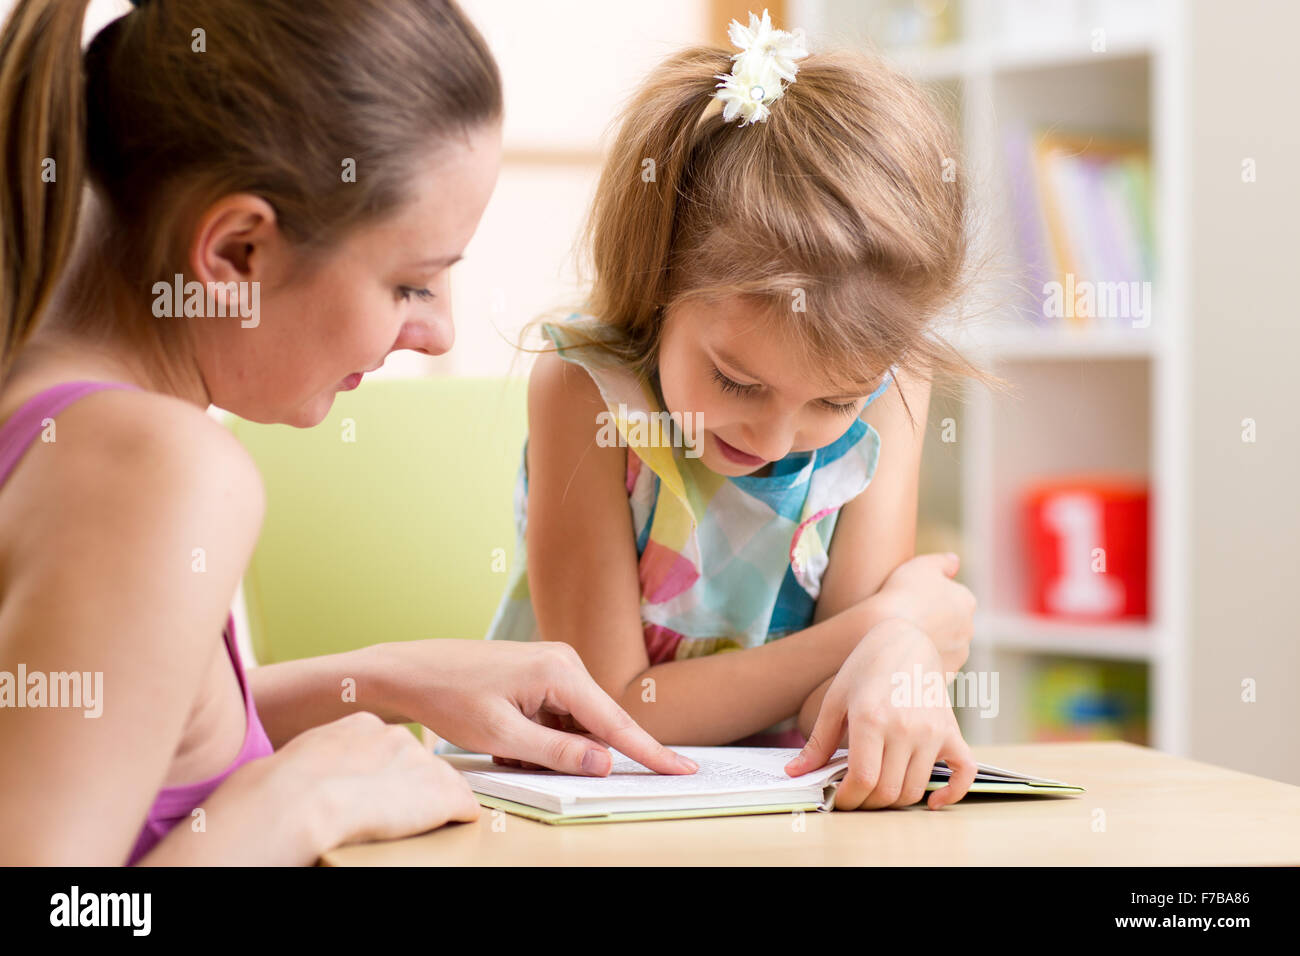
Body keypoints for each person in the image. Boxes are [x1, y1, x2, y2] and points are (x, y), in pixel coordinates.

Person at [0, 0, 695, 867]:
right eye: (411, 283)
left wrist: (385, 676)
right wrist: (292, 806)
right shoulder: (158, 470)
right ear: (237, 254)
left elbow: (114, 732)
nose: (438, 332)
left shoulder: (44, 392)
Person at [486, 12, 990, 811]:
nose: (775, 438)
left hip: (780, 807)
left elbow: (840, 696)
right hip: (582, 801)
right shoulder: (584, 392)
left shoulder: (896, 385)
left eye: (834, 400)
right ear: (658, 285)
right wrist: (890, 627)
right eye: (737, 382)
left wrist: (894, 653)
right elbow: (613, 707)